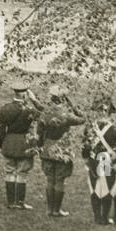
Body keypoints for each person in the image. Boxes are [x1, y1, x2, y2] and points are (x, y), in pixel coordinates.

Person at [33, 85, 84, 217]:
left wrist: (40, 147)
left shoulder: (45, 114)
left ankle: (50, 209)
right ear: (63, 99)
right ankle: (56, 210)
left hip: (48, 148)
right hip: (63, 149)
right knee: (60, 180)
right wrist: (72, 106)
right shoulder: (66, 115)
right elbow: (82, 119)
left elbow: (39, 133)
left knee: (50, 179)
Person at [0, 82, 44, 211]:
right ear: (25, 94)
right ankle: (20, 202)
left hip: (9, 141)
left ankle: (11, 202)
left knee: (10, 172)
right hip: (25, 142)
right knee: (22, 173)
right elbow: (44, 113)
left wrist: (2, 144)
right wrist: (34, 100)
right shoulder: (30, 110)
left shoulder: (5, 108)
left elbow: (1, 128)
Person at [83, 97, 116, 225]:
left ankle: (100, 217)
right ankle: (101, 217)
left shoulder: (92, 127)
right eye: (101, 111)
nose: (102, 113)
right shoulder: (113, 129)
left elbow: (85, 145)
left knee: (101, 187)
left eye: (103, 111)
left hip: (98, 158)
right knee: (101, 187)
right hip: (102, 159)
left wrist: (85, 158)